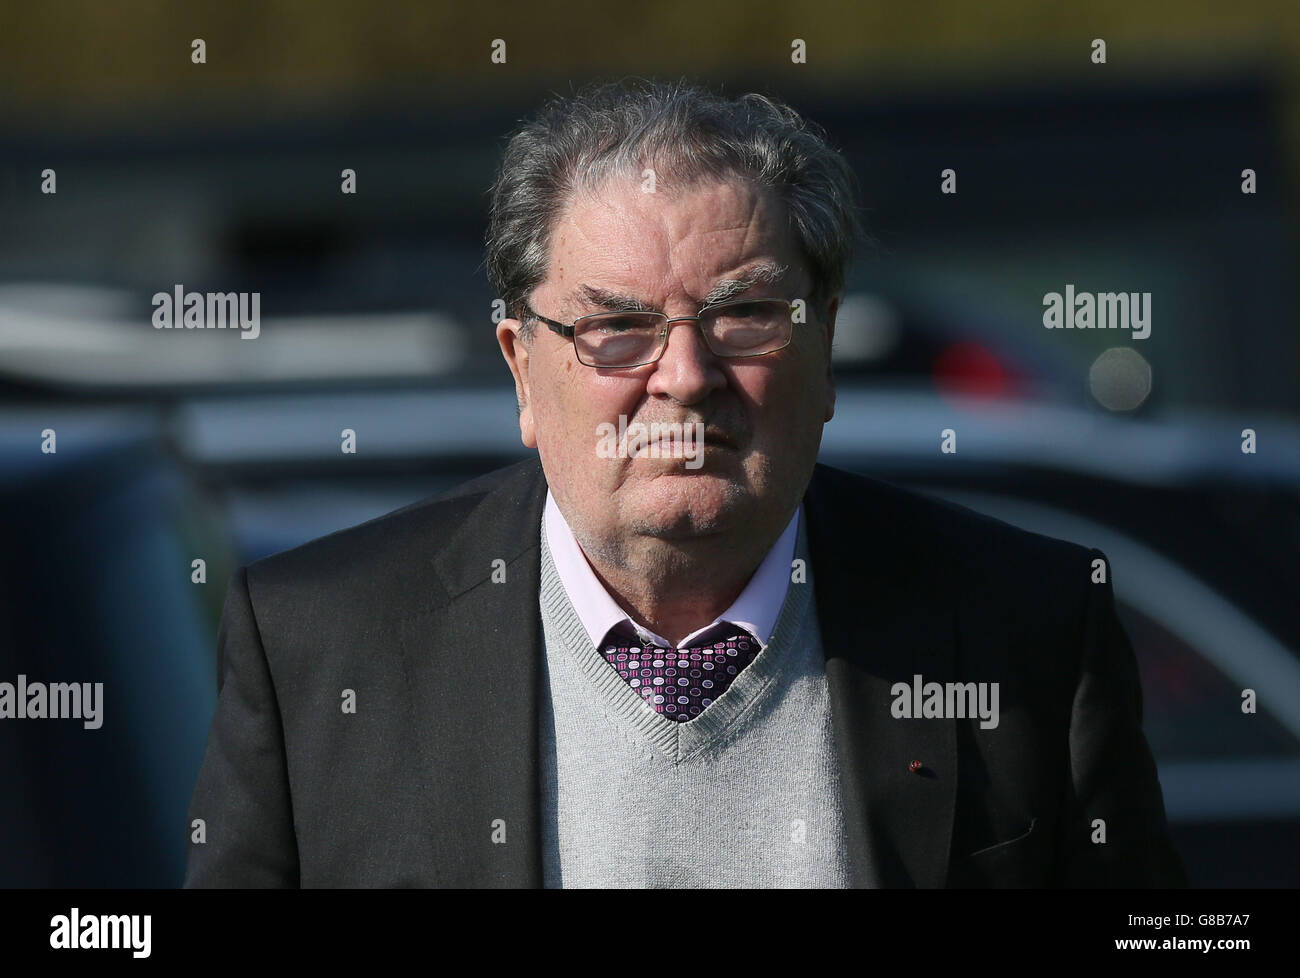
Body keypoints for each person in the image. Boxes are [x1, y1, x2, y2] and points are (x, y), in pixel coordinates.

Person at [184, 77, 1186, 888]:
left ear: (824, 348)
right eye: (616, 327)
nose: (685, 374)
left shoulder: (1030, 630)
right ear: (522, 369)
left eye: (743, 315)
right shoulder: (322, 647)